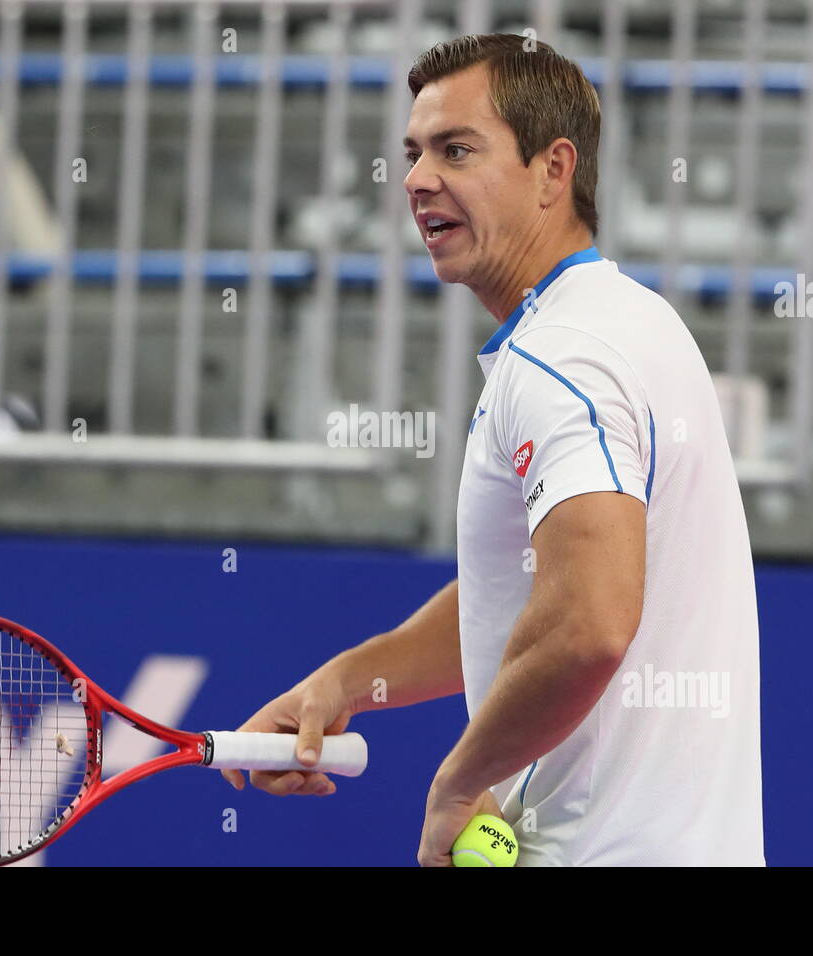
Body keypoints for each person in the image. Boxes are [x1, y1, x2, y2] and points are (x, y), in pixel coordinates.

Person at [221, 33, 765, 867]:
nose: (416, 178)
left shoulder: (562, 360)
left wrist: (456, 784)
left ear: (554, 170)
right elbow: (528, 594)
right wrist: (345, 681)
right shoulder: (628, 321)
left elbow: (587, 624)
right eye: (412, 153)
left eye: (456, 149)